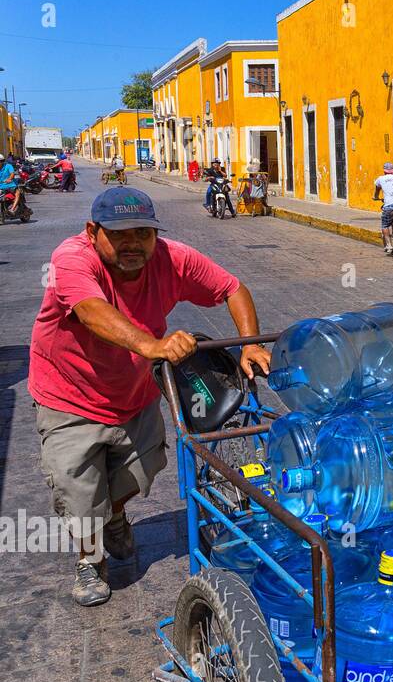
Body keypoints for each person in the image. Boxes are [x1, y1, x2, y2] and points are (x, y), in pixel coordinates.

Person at [29, 187, 272, 605]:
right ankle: (90, 560)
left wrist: (249, 344)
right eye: (120, 234)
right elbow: (90, 310)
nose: (134, 244)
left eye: (143, 233)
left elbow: (232, 287)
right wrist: (151, 346)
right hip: (68, 395)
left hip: (134, 393)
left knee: (140, 470)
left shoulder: (172, 258)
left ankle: (116, 515)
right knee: (80, 489)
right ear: (92, 231)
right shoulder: (71, 259)